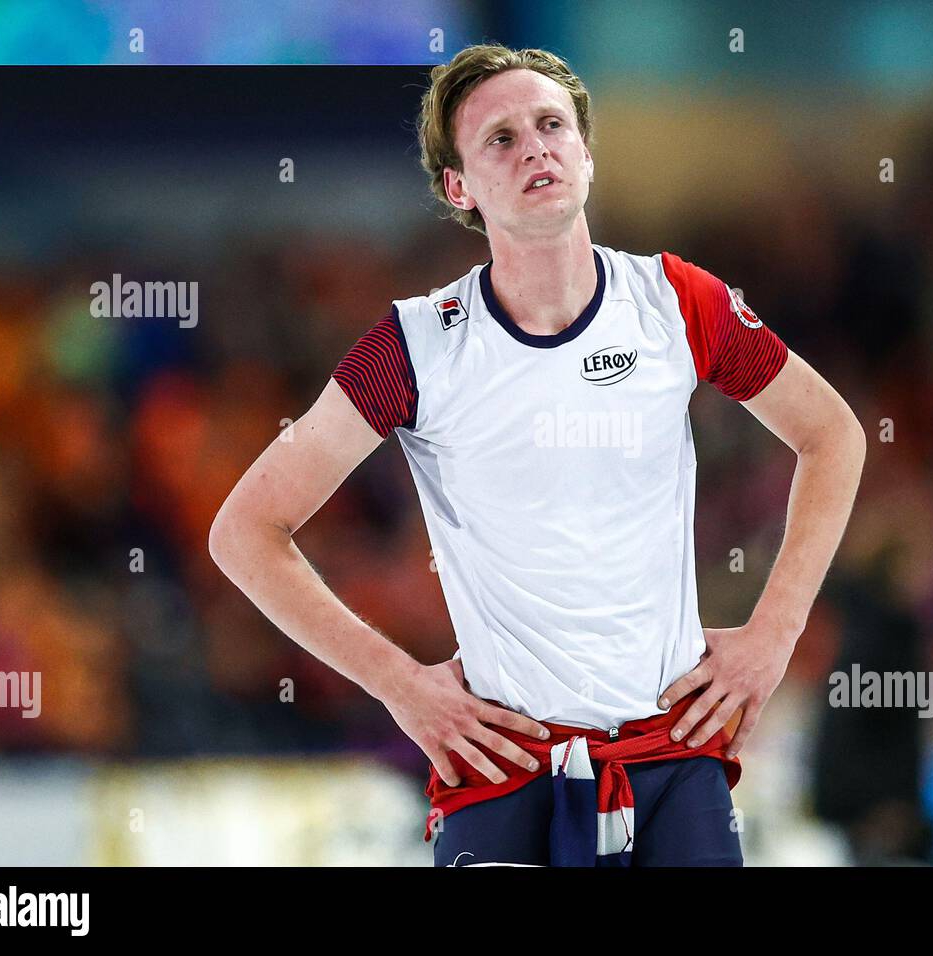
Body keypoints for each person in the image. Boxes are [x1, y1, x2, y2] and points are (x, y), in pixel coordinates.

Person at [208, 43, 867, 866]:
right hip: (505, 765)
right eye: (501, 139)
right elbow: (246, 531)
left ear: (585, 154)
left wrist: (776, 633)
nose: (536, 149)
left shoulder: (675, 302)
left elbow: (834, 434)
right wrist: (401, 686)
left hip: (672, 755)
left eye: (552, 125)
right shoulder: (414, 347)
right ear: (459, 188)